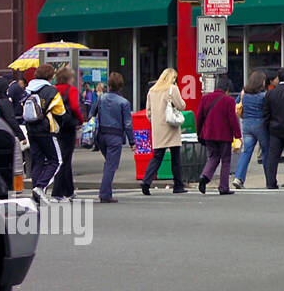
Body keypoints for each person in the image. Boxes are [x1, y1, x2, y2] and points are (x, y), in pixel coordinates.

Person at [21, 63, 67, 203]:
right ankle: (40, 187)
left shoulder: (27, 90)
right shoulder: (51, 91)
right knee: (56, 161)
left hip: (31, 130)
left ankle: (36, 195)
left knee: (37, 162)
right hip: (47, 130)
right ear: (50, 76)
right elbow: (61, 112)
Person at [141, 68, 187, 195]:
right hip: (171, 126)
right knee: (175, 158)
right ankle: (178, 185)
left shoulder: (152, 90)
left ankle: (146, 181)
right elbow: (182, 105)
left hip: (158, 128)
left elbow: (148, 112)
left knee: (157, 157)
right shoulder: (172, 89)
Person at [92, 72, 135, 204]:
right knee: (111, 165)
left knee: (108, 164)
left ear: (109, 85)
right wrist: (132, 141)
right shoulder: (124, 103)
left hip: (101, 135)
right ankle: (105, 193)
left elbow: (92, 113)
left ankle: (107, 191)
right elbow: (127, 124)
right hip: (115, 136)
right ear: (120, 86)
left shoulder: (101, 98)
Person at [197, 75, 241, 195]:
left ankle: (204, 176)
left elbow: (199, 117)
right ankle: (223, 187)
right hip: (224, 135)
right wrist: (238, 135)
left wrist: (199, 133)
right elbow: (233, 120)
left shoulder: (205, 98)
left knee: (213, 157)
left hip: (208, 134)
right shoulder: (229, 101)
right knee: (226, 160)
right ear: (227, 89)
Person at [50, 66, 83, 203]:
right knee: (65, 160)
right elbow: (75, 107)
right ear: (69, 78)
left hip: (56, 126)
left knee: (64, 158)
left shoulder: (53, 89)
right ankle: (57, 192)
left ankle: (69, 191)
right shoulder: (71, 90)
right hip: (69, 126)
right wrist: (80, 120)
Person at [232, 71, 269, 190]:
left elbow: (236, 104)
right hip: (261, 125)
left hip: (246, 125)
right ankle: (270, 179)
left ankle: (238, 178)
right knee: (266, 152)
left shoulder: (244, 94)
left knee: (246, 152)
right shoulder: (263, 96)